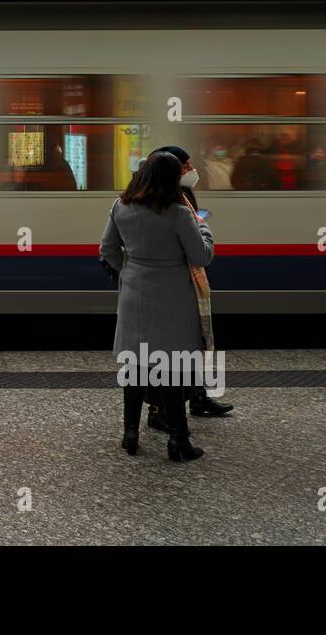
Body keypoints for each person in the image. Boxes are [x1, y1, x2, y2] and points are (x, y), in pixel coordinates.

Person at [99, 151, 215, 462]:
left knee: (136, 366)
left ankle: (130, 434)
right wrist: (204, 229)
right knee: (173, 368)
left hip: (134, 294)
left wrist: (128, 271)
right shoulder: (179, 213)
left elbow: (107, 250)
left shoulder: (120, 207)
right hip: (173, 297)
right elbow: (201, 256)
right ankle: (178, 441)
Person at [144, 145, 233, 428]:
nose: (192, 171)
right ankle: (160, 411)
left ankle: (197, 396)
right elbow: (199, 249)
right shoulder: (169, 202)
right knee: (170, 352)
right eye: (186, 166)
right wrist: (201, 226)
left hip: (185, 280)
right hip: (177, 282)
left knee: (192, 345)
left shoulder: (177, 195)